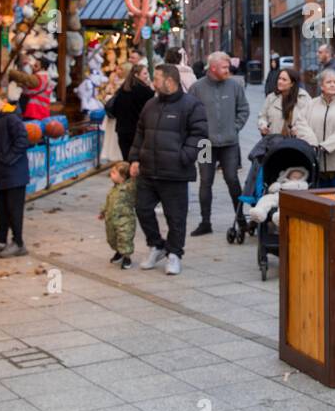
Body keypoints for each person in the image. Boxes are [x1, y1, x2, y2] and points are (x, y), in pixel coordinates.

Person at [128, 64, 208, 276]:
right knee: (142, 209)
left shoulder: (192, 105)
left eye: (156, 78)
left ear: (169, 81)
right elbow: (140, 132)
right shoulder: (150, 105)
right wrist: (134, 159)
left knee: (176, 217)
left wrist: (184, 157)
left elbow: (199, 135)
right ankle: (157, 245)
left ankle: (175, 254)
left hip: (175, 172)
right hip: (148, 170)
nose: (153, 82)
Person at [189, 51, 250, 237]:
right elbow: (190, 113)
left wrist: (235, 128)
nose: (228, 69)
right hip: (205, 144)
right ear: (213, 68)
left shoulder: (235, 85)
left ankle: (241, 220)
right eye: (224, 67)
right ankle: (205, 222)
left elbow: (244, 109)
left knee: (232, 179)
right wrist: (198, 134)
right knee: (205, 181)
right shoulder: (197, 88)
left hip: (229, 144)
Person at [0, 86, 30, 258]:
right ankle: (1, 240)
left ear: (3, 100)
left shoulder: (12, 118)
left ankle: (19, 243)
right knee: (2, 209)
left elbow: (22, 141)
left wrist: (8, 159)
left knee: (14, 209)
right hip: (1, 173)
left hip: (14, 173)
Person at [304, 68, 335, 188]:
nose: (333, 85)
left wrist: (327, 145)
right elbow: (300, 124)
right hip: (316, 167)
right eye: (329, 82)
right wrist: (313, 143)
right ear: (321, 85)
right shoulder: (311, 104)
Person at [105, 63, 154, 167]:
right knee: (138, 163)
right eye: (145, 73)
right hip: (138, 132)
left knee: (127, 160)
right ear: (136, 75)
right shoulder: (146, 91)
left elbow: (114, 110)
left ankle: (128, 181)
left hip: (122, 131)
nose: (147, 76)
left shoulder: (122, 90)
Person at [258, 67, 316, 142]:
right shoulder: (271, 97)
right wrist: (263, 125)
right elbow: (262, 116)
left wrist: (299, 130)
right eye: (279, 78)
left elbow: (311, 120)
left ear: (292, 83)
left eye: (284, 80)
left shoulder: (304, 98)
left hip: (297, 144)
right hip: (273, 143)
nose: (280, 81)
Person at [99, 161, 138, 269]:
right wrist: (103, 211)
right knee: (112, 238)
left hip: (125, 220)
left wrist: (134, 173)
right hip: (111, 220)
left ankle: (127, 257)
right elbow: (108, 201)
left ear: (123, 177)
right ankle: (119, 252)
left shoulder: (129, 187)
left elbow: (135, 181)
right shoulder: (113, 189)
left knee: (125, 238)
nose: (111, 174)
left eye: (114, 172)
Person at [18, 55, 55, 121]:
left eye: (36, 66)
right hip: (41, 111)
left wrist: (19, 85)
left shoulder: (40, 78)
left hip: (35, 111)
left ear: (43, 69)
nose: (33, 67)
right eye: (34, 65)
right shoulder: (46, 78)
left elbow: (27, 91)